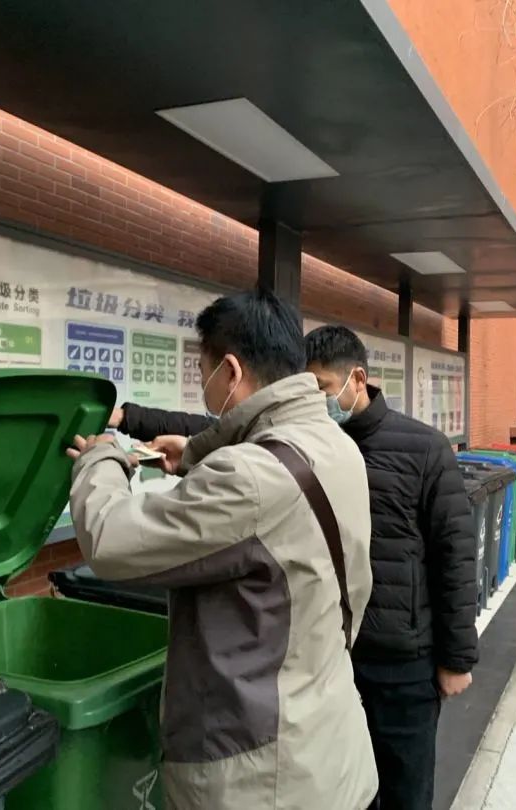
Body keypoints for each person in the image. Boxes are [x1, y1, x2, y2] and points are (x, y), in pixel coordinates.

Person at [110, 325, 478, 810]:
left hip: (399, 660)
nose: (315, 401)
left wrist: (457, 658)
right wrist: (129, 418)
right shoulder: (297, 441)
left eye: (324, 389)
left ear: (358, 380)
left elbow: (455, 553)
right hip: (326, 659)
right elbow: (213, 426)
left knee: (405, 790)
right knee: (348, 787)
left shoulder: (422, 447)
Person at [66, 290, 378, 810]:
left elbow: (111, 541)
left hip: (261, 775)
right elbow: (268, 472)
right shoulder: (335, 443)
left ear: (230, 371)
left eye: (203, 371)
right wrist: (190, 453)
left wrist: (103, 461)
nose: (202, 384)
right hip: (326, 737)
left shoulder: (250, 477)